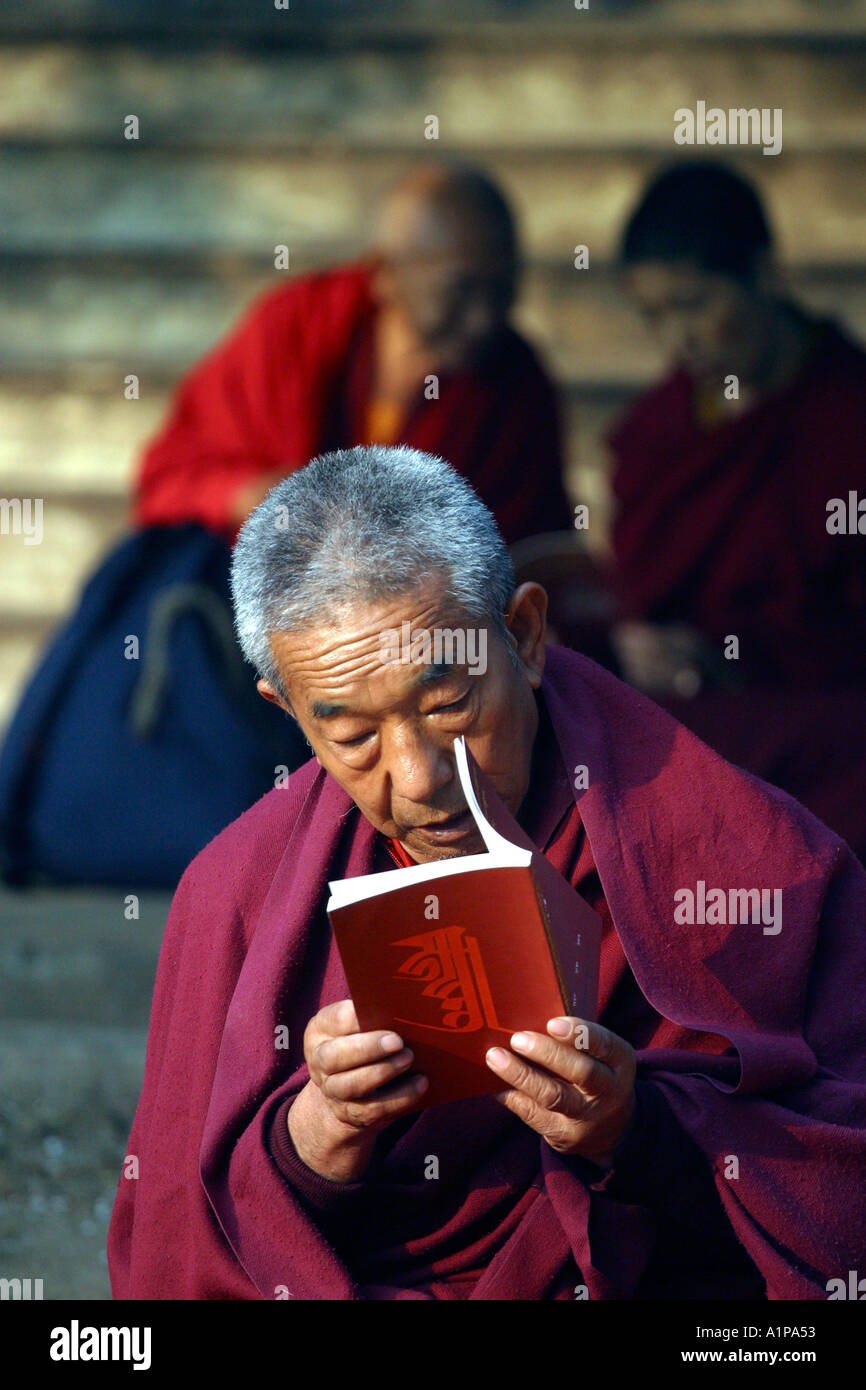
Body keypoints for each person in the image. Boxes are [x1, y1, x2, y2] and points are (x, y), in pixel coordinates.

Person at [108, 445, 866, 1301]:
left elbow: (839, 1186)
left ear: (526, 637)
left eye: (449, 705)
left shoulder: (736, 849)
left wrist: (636, 1130)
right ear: (289, 713)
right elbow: (169, 1250)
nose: (420, 775)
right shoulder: (233, 893)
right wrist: (315, 1139)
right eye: (353, 736)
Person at [607, 159, 866, 858]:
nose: (676, 341)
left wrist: (738, 661)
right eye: (654, 316)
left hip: (814, 717)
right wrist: (638, 642)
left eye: (692, 306)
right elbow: (637, 586)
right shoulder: (661, 429)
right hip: (684, 713)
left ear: (762, 273)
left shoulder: (847, 412)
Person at [132, 160, 570, 546]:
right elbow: (170, 475)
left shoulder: (517, 384)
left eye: (503, 289)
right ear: (385, 274)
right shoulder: (296, 329)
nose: (484, 319)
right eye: (459, 290)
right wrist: (256, 496)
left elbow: (533, 549)